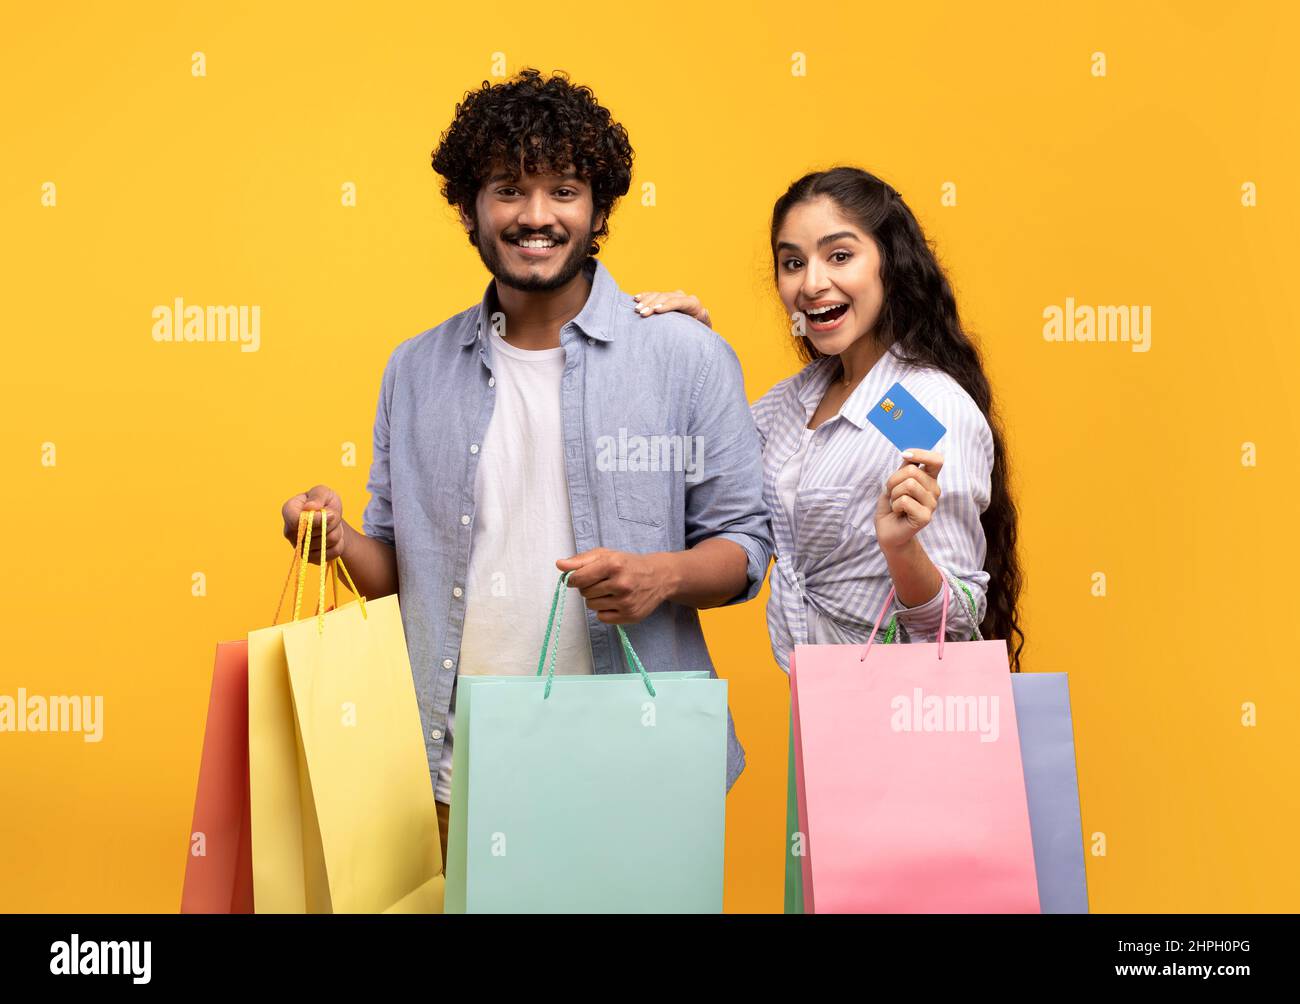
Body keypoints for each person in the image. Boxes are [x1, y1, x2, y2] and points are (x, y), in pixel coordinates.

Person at [279, 69, 771, 867]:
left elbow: (744, 548)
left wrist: (659, 576)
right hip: (450, 768)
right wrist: (333, 540)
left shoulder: (684, 356)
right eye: (509, 189)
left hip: (630, 770)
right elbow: (402, 570)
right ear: (470, 207)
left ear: (599, 209)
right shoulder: (415, 369)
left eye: (564, 190)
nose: (535, 216)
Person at [633, 166, 1025, 673]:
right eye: (792, 263)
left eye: (840, 255)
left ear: (891, 263)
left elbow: (958, 621)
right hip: (817, 712)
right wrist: (696, 351)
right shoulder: (785, 406)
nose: (813, 283)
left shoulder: (921, 408)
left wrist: (902, 550)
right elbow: (706, 485)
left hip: (905, 718)